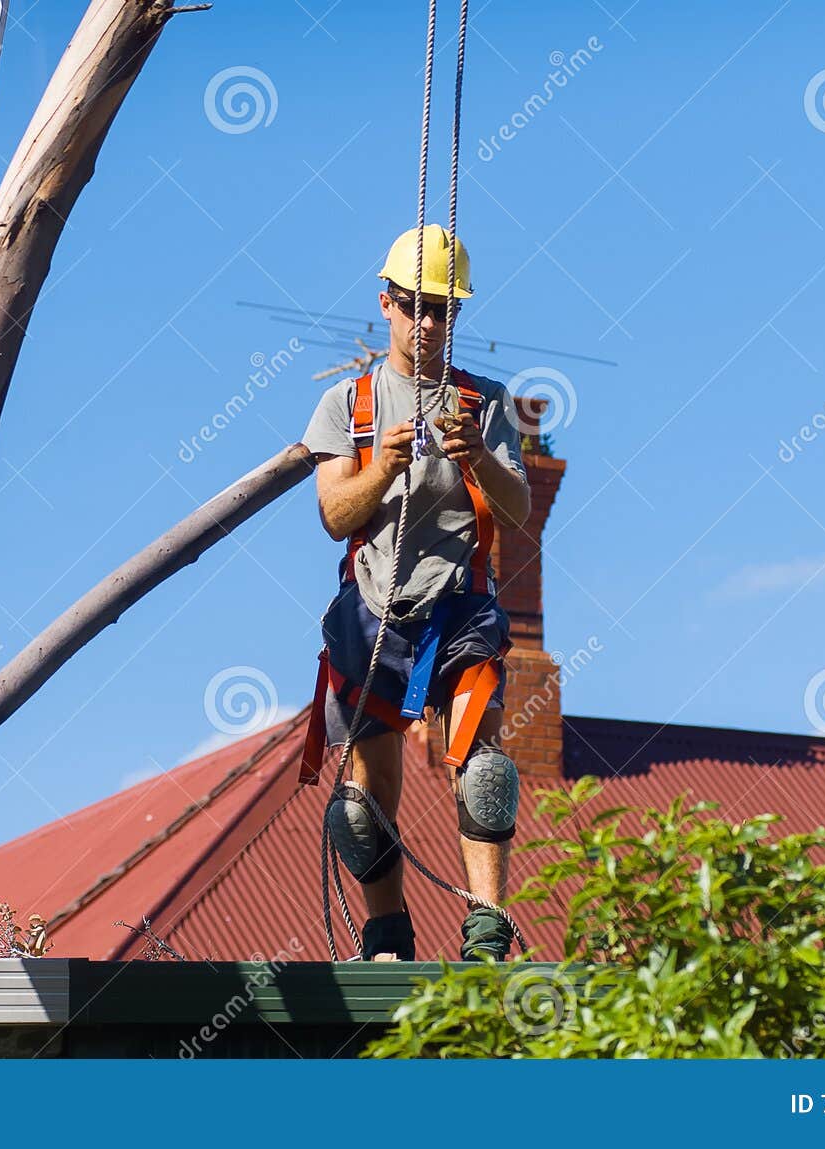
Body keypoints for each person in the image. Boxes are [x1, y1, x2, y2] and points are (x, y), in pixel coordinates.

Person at [300, 225, 530, 961]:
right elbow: (335, 512)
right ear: (386, 303)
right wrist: (383, 467)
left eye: (442, 310)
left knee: (484, 768)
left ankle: (488, 927)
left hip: (459, 601)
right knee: (363, 808)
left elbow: (518, 506)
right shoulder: (350, 405)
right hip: (375, 611)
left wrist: (477, 459)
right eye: (414, 306)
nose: (428, 323)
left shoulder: (483, 402)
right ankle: (387, 933)